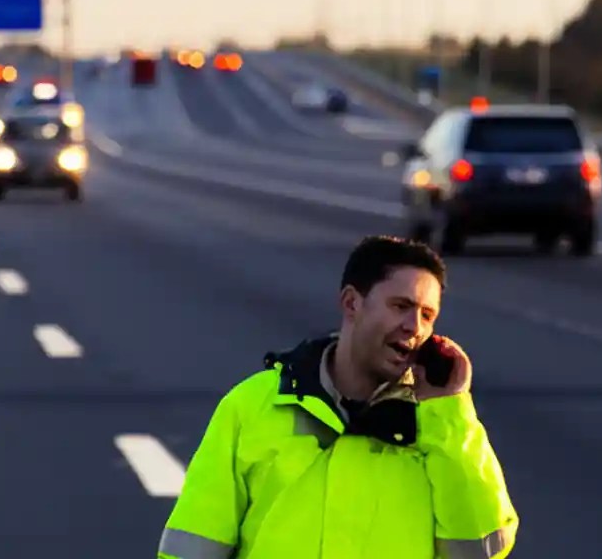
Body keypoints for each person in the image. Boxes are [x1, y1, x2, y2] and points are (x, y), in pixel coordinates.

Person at [157, 235, 517, 559]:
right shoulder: (253, 405)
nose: (415, 327)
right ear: (351, 303)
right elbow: (193, 546)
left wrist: (450, 411)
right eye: (400, 306)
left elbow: (483, 549)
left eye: (428, 315)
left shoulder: (441, 424)